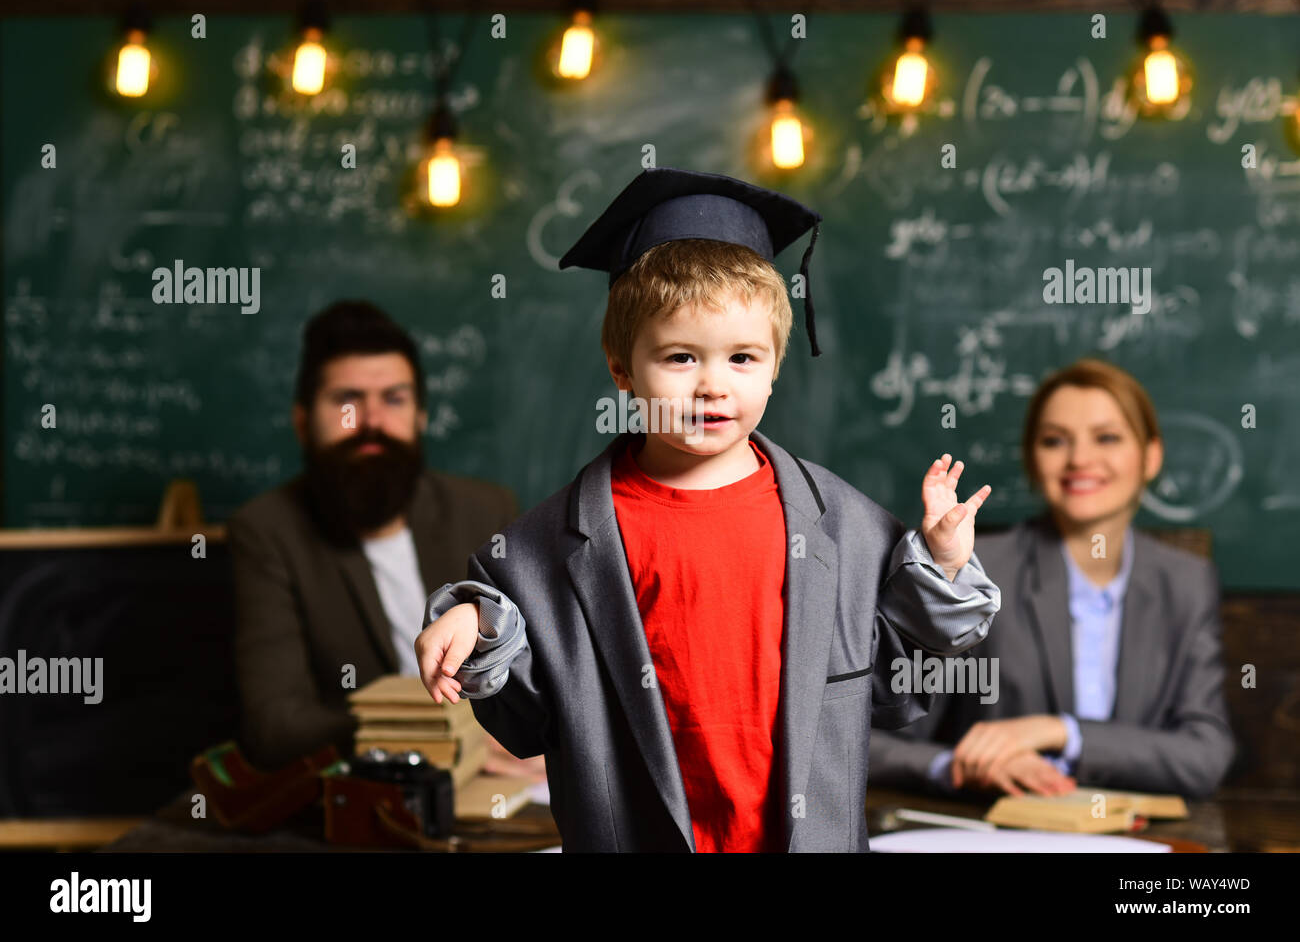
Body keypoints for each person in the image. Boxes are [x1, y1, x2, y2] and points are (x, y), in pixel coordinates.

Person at [414, 167, 1001, 852]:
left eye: (743, 357)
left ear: (778, 363)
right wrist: (475, 619)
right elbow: (525, 704)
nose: (713, 385)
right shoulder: (554, 539)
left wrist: (943, 564)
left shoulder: (840, 522)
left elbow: (904, 671)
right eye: (681, 356)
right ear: (621, 367)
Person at [870, 358, 1235, 800]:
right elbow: (874, 736)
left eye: (1107, 438)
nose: (1080, 459)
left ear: (1151, 456)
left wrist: (1061, 732)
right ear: (1031, 458)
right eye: (1054, 441)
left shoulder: (1186, 581)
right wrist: (953, 766)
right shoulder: (973, 568)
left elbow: (1206, 754)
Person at [228, 300, 519, 770]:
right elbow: (275, 727)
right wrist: (434, 734)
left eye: (394, 399)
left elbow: (535, 666)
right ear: (303, 422)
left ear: (421, 416)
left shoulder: (487, 510)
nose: (370, 422)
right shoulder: (266, 532)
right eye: (347, 400)